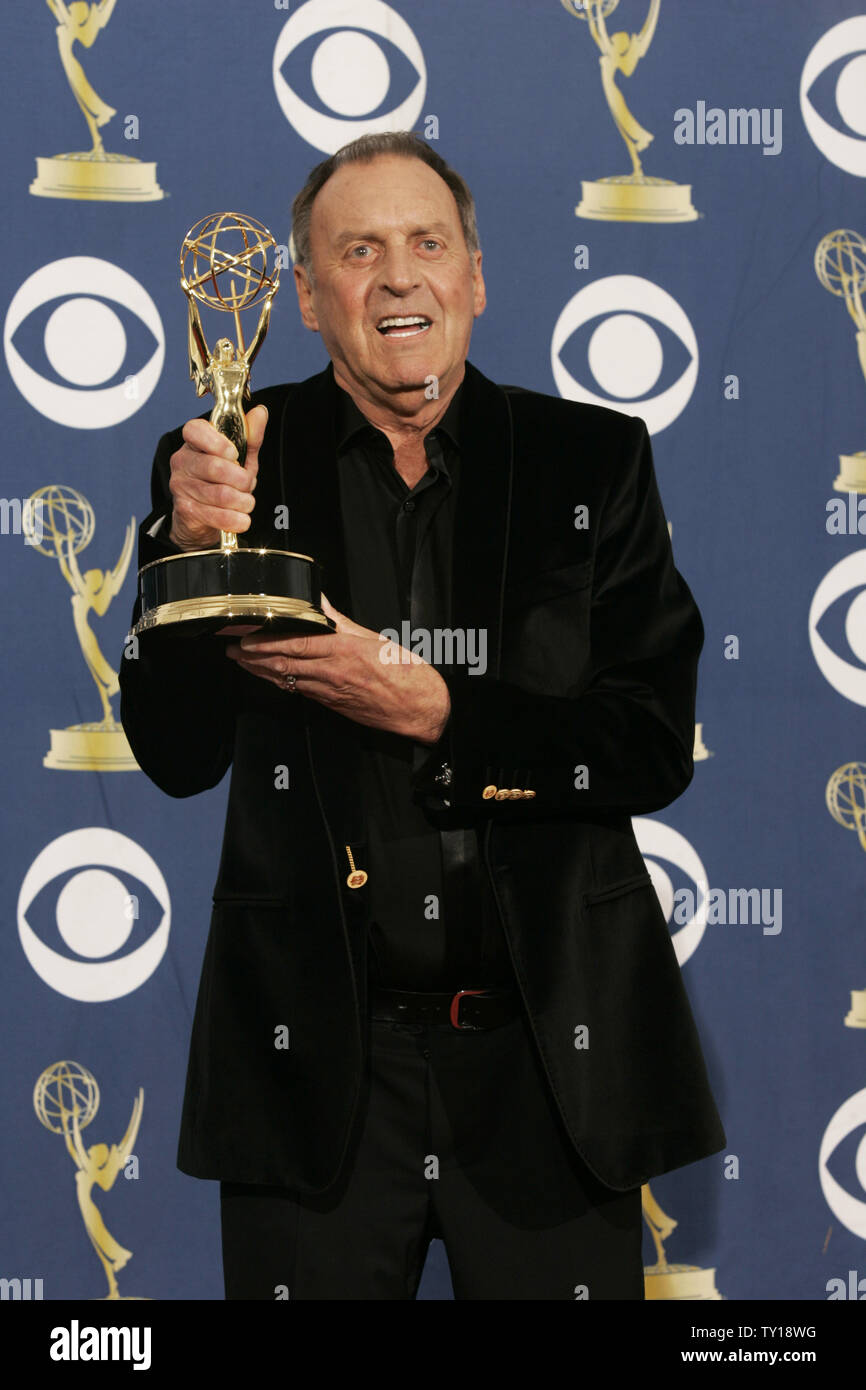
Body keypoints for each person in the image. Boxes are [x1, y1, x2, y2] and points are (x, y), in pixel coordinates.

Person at [119, 131, 725, 1301]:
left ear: (475, 276)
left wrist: (441, 709)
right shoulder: (226, 459)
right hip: (317, 1079)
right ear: (302, 295)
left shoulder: (587, 461)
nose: (399, 276)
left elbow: (648, 740)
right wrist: (178, 553)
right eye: (359, 250)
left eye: (426, 243)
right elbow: (174, 753)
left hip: (549, 1064)